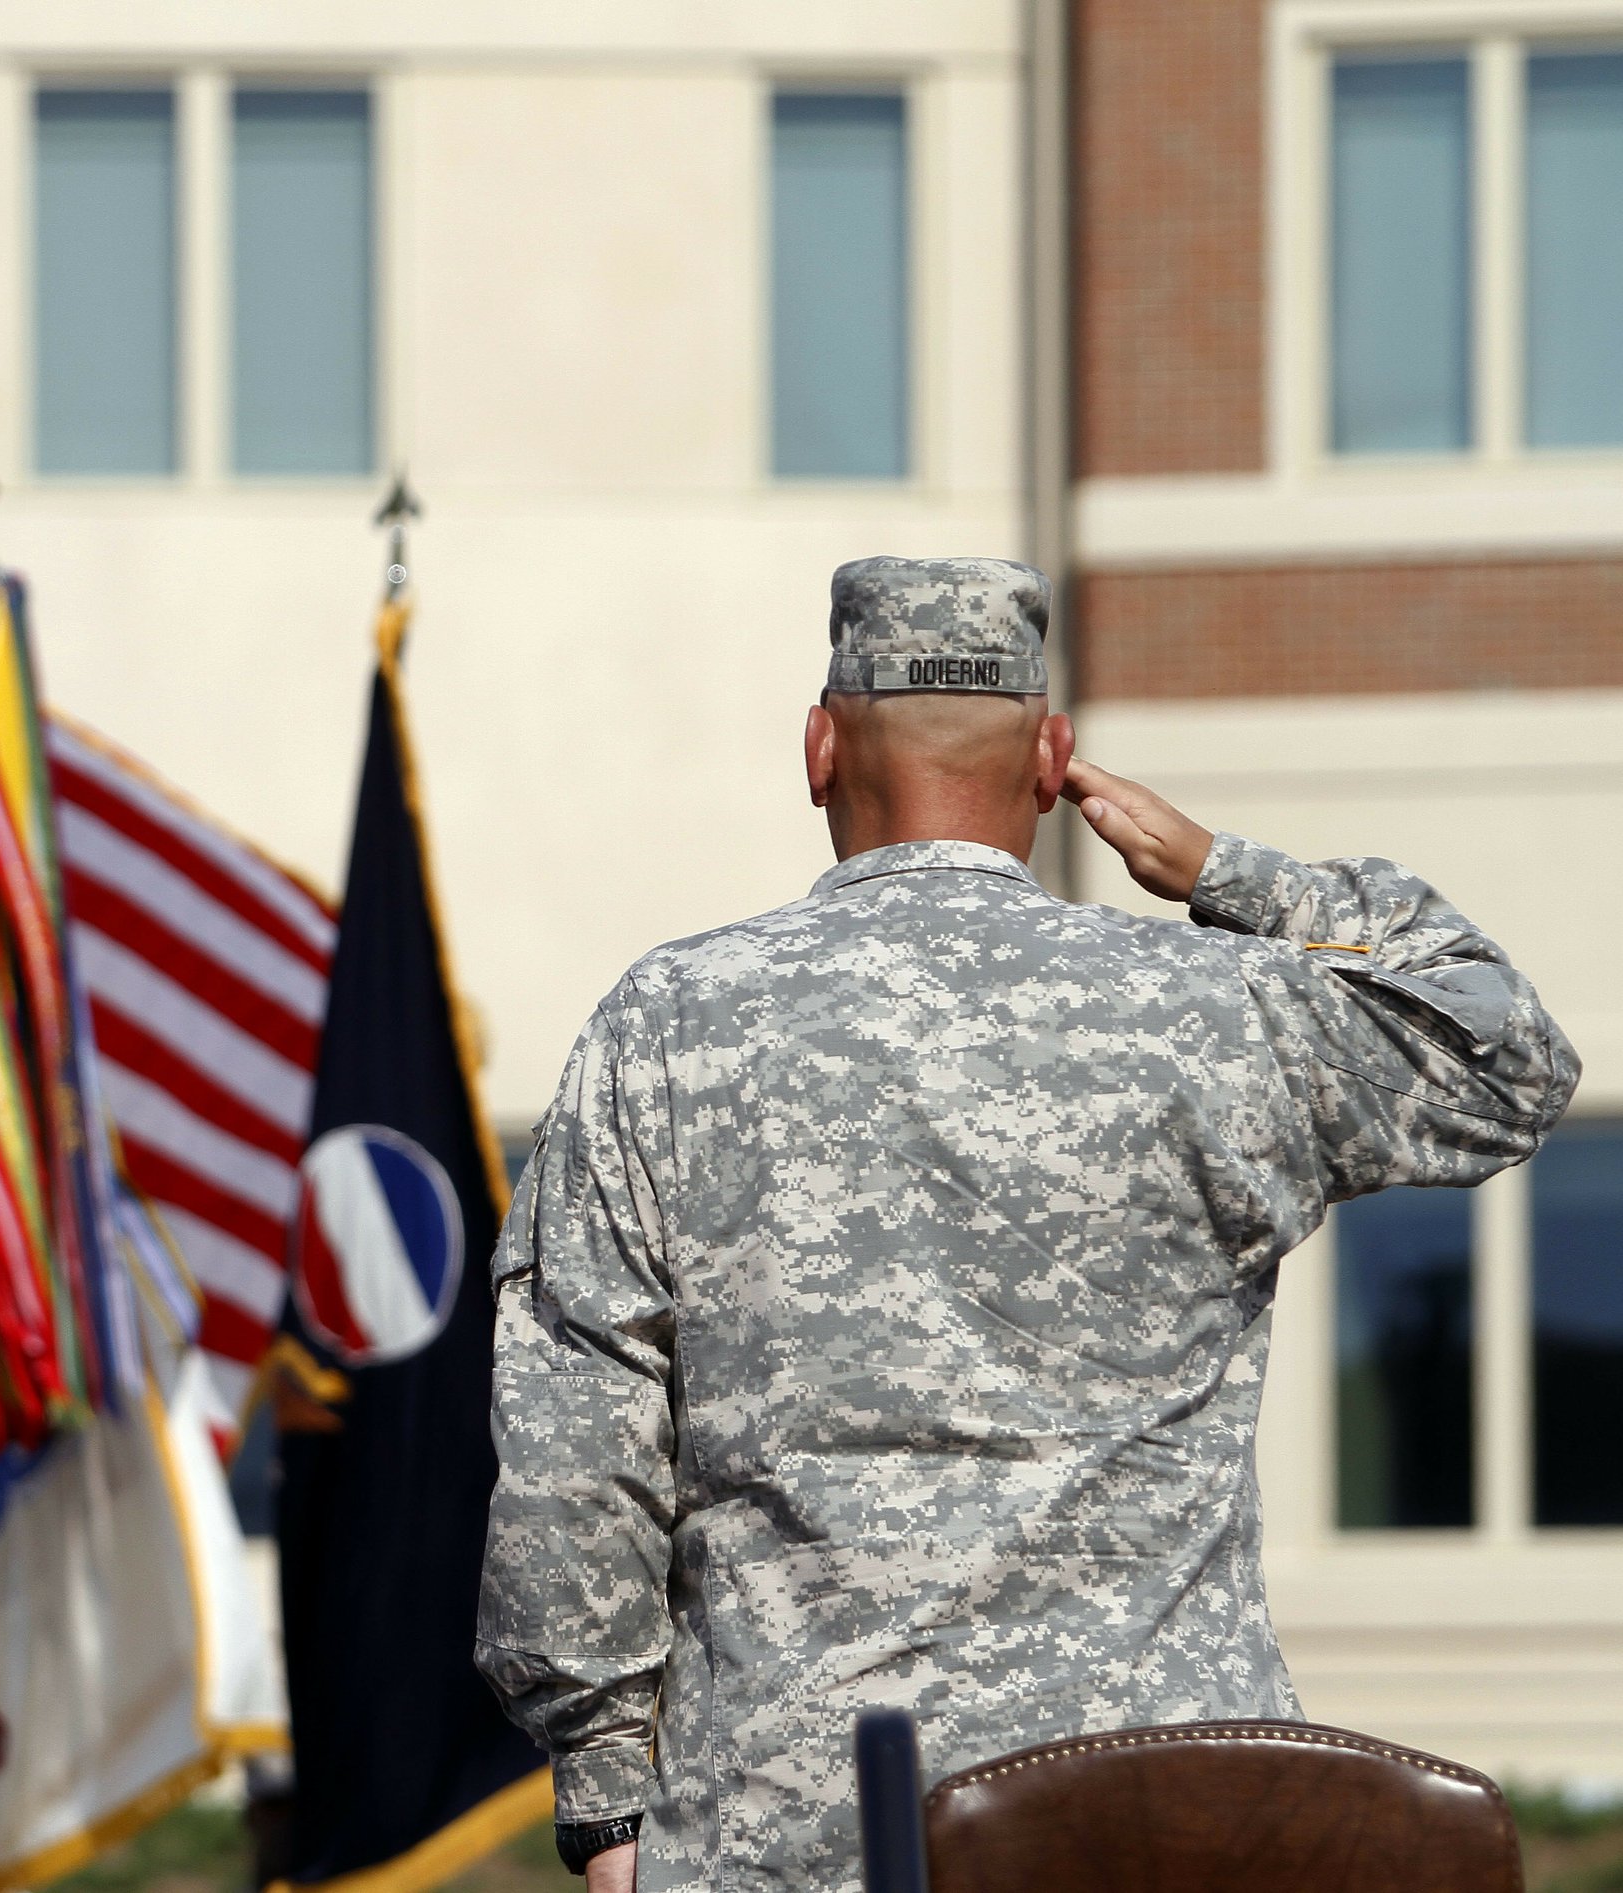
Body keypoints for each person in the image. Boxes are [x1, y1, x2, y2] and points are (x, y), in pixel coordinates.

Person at [474, 557, 1576, 1893]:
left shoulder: (667, 1023)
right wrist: (1233, 873)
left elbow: (572, 1454)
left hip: (795, 1835)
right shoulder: (1214, 1009)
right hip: (1156, 1823)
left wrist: (602, 1797)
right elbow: (1509, 1052)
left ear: (821, 746)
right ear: (1053, 760)